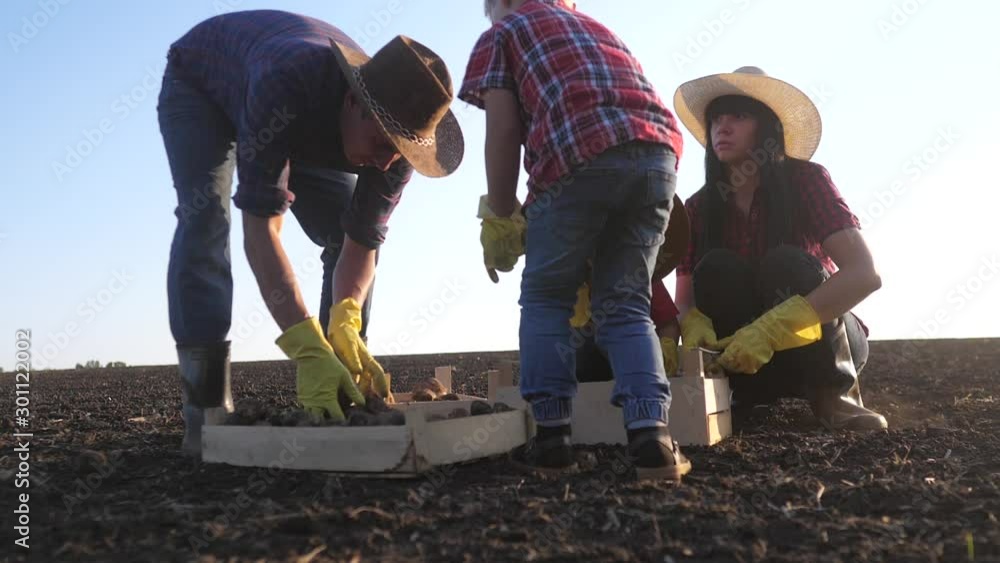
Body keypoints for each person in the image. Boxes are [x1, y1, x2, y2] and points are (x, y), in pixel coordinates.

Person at [157, 9, 464, 455]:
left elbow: (361, 241)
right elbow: (262, 231)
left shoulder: (397, 147)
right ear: (354, 100)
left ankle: (339, 387)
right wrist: (304, 345)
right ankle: (203, 408)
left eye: (398, 153)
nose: (384, 163)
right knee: (207, 221)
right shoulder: (286, 81)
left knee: (342, 225)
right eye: (381, 144)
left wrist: (347, 317)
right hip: (205, 88)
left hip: (304, 123)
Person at [461, 0, 691, 481]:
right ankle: (652, 440)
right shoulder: (595, 26)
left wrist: (502, 214)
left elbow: (503, 131)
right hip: (656, 156)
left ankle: (552, 442)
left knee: (547, 297)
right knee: (627, 301)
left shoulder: (502, 35)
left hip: (576, 157)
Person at [672, 66, 888, 431]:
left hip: (821, 347)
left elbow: (864, 274)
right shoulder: (696, 208)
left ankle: (832, 396)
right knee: (716, 267)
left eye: (738, 116)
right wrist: (692, 323)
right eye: (716, 119)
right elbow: (686, 300)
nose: (721, 128)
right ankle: (742, 394)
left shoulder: (807, 180)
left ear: (768, 128)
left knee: (785, 262)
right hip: (747, 359)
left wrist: (775, 328)